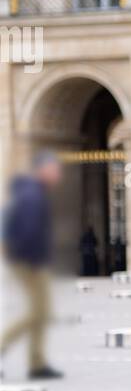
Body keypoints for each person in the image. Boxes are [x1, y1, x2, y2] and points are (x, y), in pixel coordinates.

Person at [0, 150, 64, 379]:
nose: (58, 175)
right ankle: (30, 359)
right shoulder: (32, 196)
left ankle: (37, 362)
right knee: (39, 312)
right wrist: (34, 259)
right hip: (30, 262)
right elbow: (28, 232)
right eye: (55, 170)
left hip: (30, 260)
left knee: (41, 313)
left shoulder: (33, 192)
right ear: (42, 170)